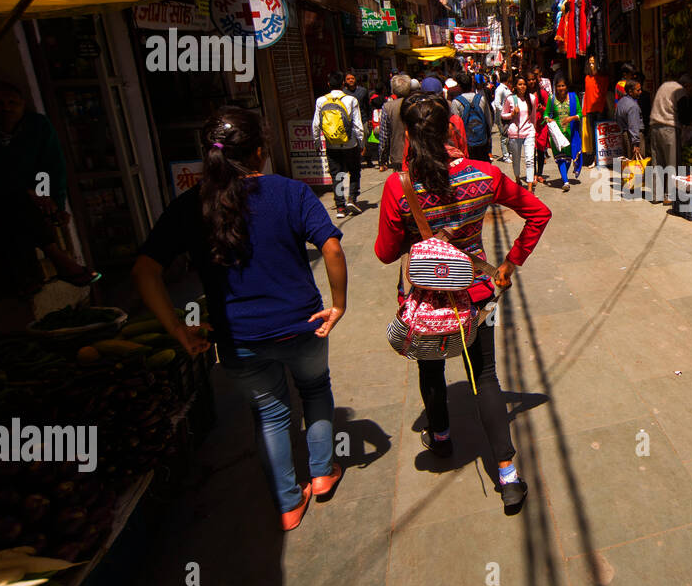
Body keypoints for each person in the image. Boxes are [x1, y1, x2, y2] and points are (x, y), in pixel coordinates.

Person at [132, 107, 347, 531]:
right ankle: (322, 474)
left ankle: (288, 504)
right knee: (315, 389)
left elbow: (144, 270)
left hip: (238, 337)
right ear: (260, 152)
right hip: (302, 324)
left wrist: (176, 330)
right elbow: (333, 249)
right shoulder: (291, 192)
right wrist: (338, 303)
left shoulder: (189, 205)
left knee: (271, 413)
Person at [374, 93, 550, 514]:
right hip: (474, 297)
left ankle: (440, 437)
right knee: (484, 378)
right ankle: (507, 475)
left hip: (423, 302)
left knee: (430, 369)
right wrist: (509, 263)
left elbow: (384, 252)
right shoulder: (484, 174)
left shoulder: (400, 186)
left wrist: (417, 234)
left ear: (409, 137)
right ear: (452, 128)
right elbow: (538, 213)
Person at [0, 79, 100, 294]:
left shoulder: (37, 127)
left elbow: (52, 168)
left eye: (12, 102)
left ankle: (34, 277)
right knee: (14, 206)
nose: (6, 108)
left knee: (27, 211)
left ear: (23, 105)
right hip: (6, 199)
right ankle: (57, 257)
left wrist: (55, 204)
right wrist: (27, 193)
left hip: (29, 202)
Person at [312, 74, 364, 217]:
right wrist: (361, 142)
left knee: (337, 174)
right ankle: (352, 199)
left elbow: (316, 124)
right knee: (354, 171)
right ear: (343, 84)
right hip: (350, 143)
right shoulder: (351, 100)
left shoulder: (320, 100)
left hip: (331, 144)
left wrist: (317, 142)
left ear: (328, 84)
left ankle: (340, 207)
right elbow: (357, 125)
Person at [649, 74, 692, 203]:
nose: (689, 91)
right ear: (686, 85)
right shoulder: (679, 90)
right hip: (669, 128)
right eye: (690, 88)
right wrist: (690, 123)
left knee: (657, 162)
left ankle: (656, 195)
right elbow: (684, 114)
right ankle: (669, 195)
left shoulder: (664, 85)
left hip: (654, 127)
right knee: (672, 162)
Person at [501, 73, 539, 192]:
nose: (522, 87)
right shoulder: (510, 99)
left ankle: (529, 187)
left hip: (529, 132)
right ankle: (517, 178)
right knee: (516, 159)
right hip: (514, 133)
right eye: (520, 84)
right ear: (516, 86)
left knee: (529, 159)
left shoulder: (532, 99)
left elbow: (533, 117)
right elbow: (503, 114)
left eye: (524, 84)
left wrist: (534, 130)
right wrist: (512, 114)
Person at [545, 75, 583, 191]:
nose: (561, 88)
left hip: (570, 134)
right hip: (557, 135)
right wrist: (549, 119)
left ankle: (564, 176)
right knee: (560, 158)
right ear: (555, 87)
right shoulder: (551, 98)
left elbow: (580, 114)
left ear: (566, 86)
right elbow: (546, 114)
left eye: (563, 85)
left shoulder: (573, 97)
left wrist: (570, 118)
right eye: (558, 86)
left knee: (568, 158)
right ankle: (566, 181)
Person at [453, 77, 494, 162]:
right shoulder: (481, 98)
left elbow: (456, 126)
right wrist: (488, 135)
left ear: (459, 86)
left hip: (467, 143)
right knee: (484, 165)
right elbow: (488, 119)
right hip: (482, 140)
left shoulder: (456, 102)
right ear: (471, 85)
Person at [379, 74, 412, 172]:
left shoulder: (388, 107)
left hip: (398, 154)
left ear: (393, 90)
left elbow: (384, 136)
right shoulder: (416, 103)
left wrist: (382, 159)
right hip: (416, 151)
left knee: (401, 184)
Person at [616, 78, 645, 161]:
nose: (640, 92)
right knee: (637, 164)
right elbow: (633, 125)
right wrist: (636, 143)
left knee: (628, 162)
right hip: (633, 137)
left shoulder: (621, 102)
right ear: (630, 91)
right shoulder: (633, 106)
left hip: (625, 135)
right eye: (638, 90)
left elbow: (617, 119)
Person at [493, 73, 514, 164]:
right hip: (502, 117)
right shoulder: (500, 89)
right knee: (504, 137)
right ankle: (505, 156)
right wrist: (504, 112)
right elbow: (497, 103)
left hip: (507, 116)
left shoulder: (505, 88)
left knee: (508, 135)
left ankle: (509, 153)